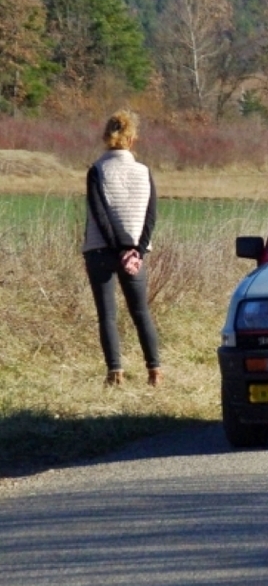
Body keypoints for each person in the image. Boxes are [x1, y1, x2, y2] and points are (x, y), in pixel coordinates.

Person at [82, 110, 161, 387]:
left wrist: (116, 250)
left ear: (107, 137)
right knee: (141, 313)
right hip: (135, 254)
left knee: (108, 315)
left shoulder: (96, 171)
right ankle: (155, 371)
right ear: (132, 140)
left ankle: (115, 372)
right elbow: (151, 215)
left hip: (100, 251)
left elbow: (100, 214)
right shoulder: (144, 172)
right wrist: (136, 250)